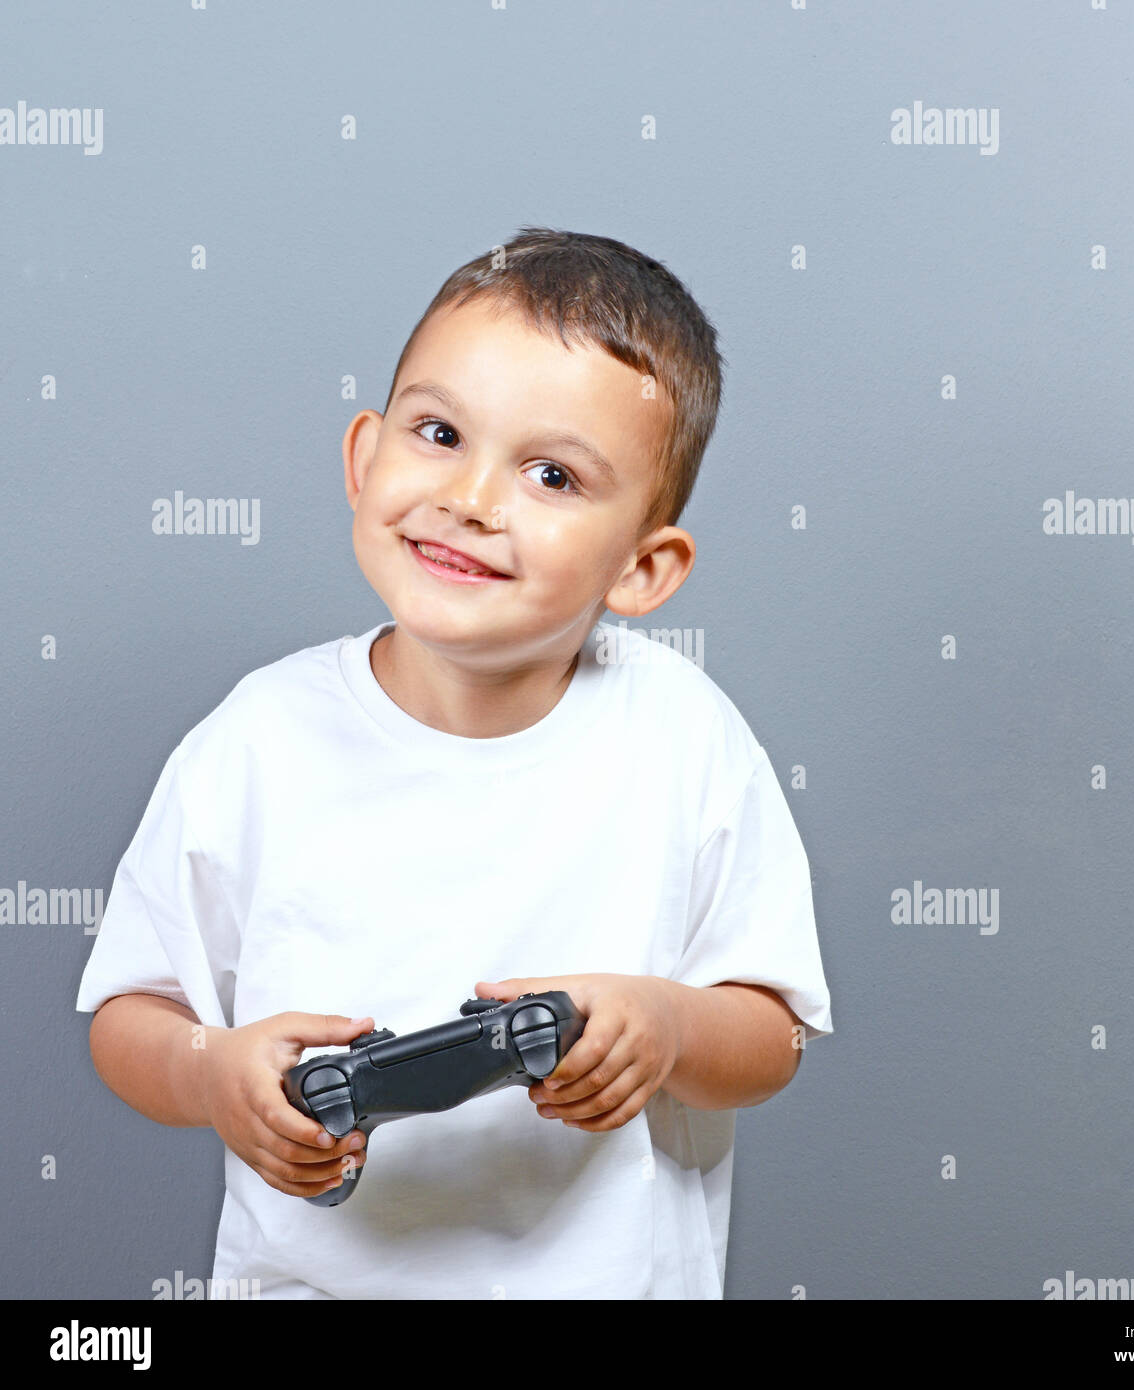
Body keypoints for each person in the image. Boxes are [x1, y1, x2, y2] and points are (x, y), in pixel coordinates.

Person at [77, 226, 833, 1299]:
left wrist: (664, 1028)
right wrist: (216, 1076)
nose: (473, 497)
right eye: (438, 433)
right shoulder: (258, 739)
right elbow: (128, 1016)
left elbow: (773, 1033)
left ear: (643, 566)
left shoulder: (683, 737)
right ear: (362, 458)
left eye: (552, 474)